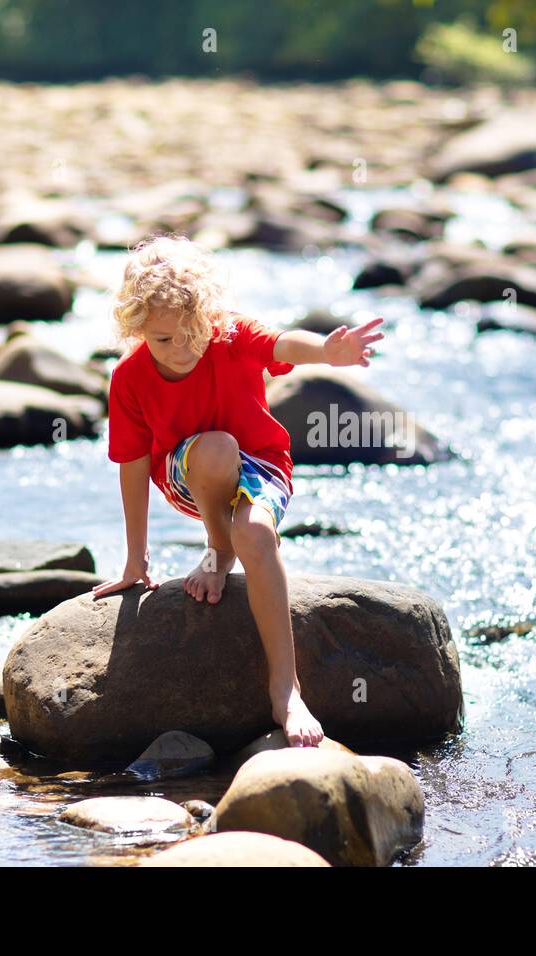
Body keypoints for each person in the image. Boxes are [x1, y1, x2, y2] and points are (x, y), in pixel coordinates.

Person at [92, 235, 384, 747]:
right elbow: (133, 466)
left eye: (192, 334)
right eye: (163, 339)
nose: (181, 350)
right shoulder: (129, 379)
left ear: (209, 318)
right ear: (136, 329)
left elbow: (281, 343)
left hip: (264, 466)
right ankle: (217, 544)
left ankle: (285, 687)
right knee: (216, 449)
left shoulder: (230, 337)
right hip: (190, 475)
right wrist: (135, 559)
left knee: (256, 536)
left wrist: (327, 351)